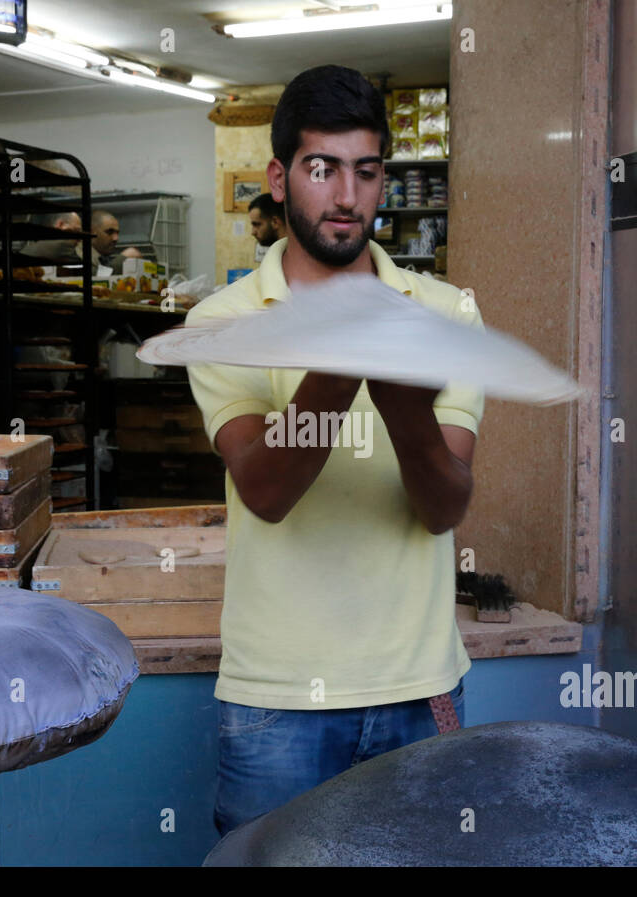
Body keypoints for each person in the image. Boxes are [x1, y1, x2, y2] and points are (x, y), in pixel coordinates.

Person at [185, 64, 484, 837]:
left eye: (366, 170)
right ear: (281, 178)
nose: (347, 197)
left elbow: (443, 504)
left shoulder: (447, 313)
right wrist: (347, 357)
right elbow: (267, 491)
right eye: (322, 169)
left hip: (419, 689)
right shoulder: (222, 322)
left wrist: (400, 399)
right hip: (276, 700)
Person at [248, 192, 287, 259]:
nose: (253, 232)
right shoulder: (278, 255)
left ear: (275, 222)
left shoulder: (295, 256)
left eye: (257, 224)